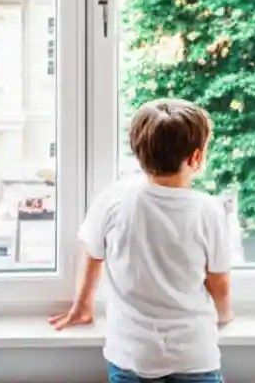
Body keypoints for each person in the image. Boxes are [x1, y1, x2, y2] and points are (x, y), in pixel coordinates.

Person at [50, 99, 233, 383]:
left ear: (139, 153)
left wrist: (83, 305)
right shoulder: (208, 210)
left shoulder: (115, 198)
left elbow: (91, 253)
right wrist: (225, 315)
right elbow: (218, 281)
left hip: (131, 356)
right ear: (196, 158)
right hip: (193, 356)